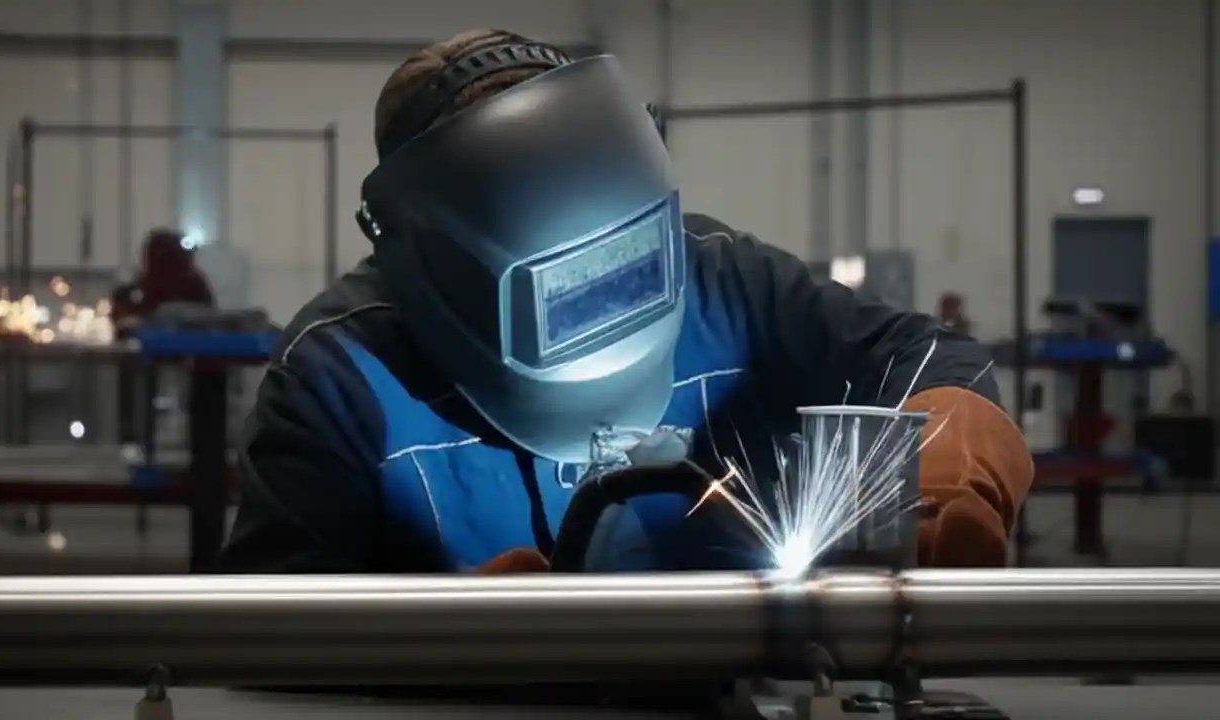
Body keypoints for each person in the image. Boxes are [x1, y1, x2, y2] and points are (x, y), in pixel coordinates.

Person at [219, 29, 1033, 575]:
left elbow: (927, 357)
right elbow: (274, 631)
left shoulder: (724, 280)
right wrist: (437, 650)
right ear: (434, 251)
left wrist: (952, 459)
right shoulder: (340, 376)